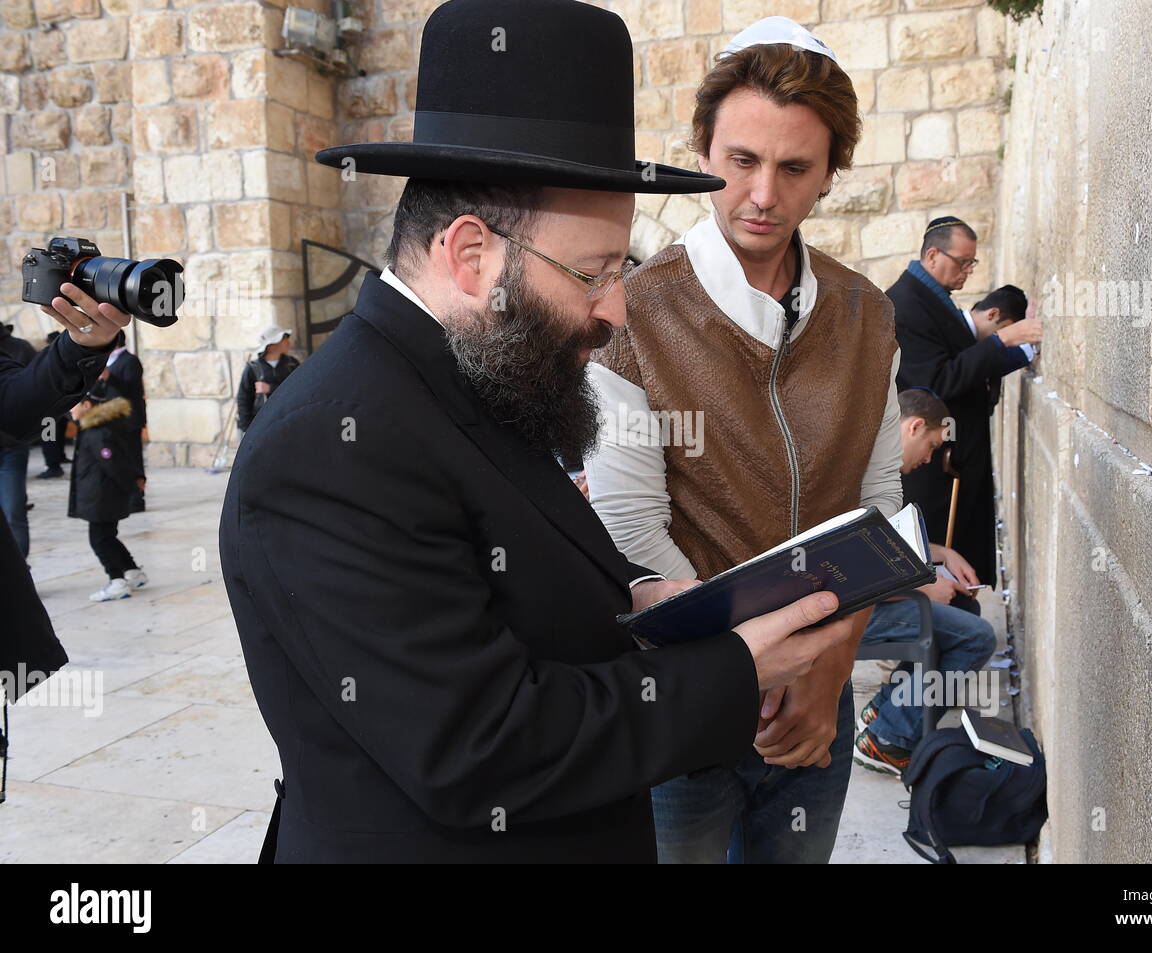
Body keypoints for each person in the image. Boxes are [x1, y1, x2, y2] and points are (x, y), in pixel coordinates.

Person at [219, 0, 859, 864]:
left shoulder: (477, 374)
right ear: (473, 256)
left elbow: (496, 584)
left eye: (621, 268)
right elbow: (482, 745)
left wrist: (630, 610)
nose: (617, 307)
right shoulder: (328, 452)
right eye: (592, 272)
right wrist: (737, 670)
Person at [585, 17, 901, 864]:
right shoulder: (634, 312)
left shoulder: (867, 313)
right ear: (701, 150)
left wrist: (830, 664)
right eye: (741, 161)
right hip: (687, 709)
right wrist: (744, 671)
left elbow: (876, 511)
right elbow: (629, 530)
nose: (763, 193)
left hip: (813, 711)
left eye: (794, 167)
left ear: (831, 173)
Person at [852, 386, 997, 776]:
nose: (930, 459)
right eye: (931, 446)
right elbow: (849, 561)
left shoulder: (872, 461)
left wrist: (943, 555)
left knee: (966, 608)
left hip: (865, 601)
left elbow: (883, 542)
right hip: (847, 611)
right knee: (977, 637)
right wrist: (923, 588)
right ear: (914, 427)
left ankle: (886, 710)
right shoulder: (863, 467)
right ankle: (889, 739)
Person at [888, 217, 1042, 584]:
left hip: (957, 456)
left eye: (973, 263)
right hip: (938, 463)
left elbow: (966, 363)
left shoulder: (933, 299)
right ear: (932, 255)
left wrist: (1024, 349)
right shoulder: (904, 304)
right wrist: (1003, 341)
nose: (969, 272)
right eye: (963, 262)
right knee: (948, 566)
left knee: (965, 563)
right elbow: (938, 379)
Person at [1, 283, 130, 705]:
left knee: (18, 511)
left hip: (105, 453)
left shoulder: (126, 368)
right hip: (95, 452)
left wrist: (80, 345)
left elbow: (14, 407)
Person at [68, 378, 147, 602]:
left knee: (100, 540)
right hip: (103, 495)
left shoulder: (97, 434)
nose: (70, 409)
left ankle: (117, 581)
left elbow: (115, 465)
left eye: (75, 404)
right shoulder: (99, 428)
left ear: (88, 406)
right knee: (108, 537)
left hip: (103, 497)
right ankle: (132, 571)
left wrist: (132, 487)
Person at [0, 324, 39, 557]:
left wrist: (47, 435)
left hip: (12, 447)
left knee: (14, 510)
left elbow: (40, 387)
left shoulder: (19, 349)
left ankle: (21, 572)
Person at [98, 330, 147, 512]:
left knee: (133, 460)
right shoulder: (107, 360)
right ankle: (123, 496)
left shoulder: (130, 361)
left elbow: (131, 389)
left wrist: (110, 377)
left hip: (129, 420)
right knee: (118, 460)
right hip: (112, 419)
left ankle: (137, 498)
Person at [236, 326, 300, 433]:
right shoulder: (253, 369)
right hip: (262, 428)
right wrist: (246, 430)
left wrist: (270, 388)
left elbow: (299, 390)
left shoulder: (292, 364)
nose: (288, 342)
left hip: (290, 423)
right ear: (271, 346)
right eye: (283, 339)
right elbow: (243, 399)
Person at [36, 332, 72, 480]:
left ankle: (53, 466)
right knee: (56, 436)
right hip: (59, 407)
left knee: (48, 438)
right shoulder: (65, 356)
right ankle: (58, 459)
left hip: (49, 409)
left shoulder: (49, 358)